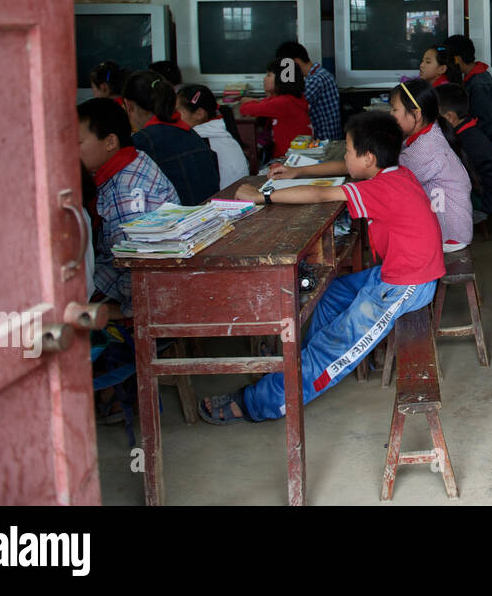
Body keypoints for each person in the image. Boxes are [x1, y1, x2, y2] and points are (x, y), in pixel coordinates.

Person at [200, 113, 443, 424]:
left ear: (368, 158)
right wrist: (298, 171)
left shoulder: (380, 188)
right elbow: (345, 168)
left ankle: (261, 403)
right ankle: (301, 364)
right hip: (398, 273)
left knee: (335, 345)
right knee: (331, 293)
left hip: (407, 285)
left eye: (348, 150)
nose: (345, 157)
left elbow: (319, 193)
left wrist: (262, 197)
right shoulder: (395, 175)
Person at [78, 98, 178, 317]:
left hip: (143, 303)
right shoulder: (131, 160)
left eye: (77, 144)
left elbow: (141, 274)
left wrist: (119, 313)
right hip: (122, 277)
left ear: (110, 142)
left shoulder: (125, 195)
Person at [122, 71, 219, 204]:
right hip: (208, 217)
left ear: (129, 105)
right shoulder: (192, 134)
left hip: (177, 222)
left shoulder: (141, 143)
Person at [436, 82, 492, 220]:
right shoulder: (466, 129)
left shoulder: (468, 140)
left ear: (449, 117)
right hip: (485, 195)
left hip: (485, 202)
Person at [176, 84, 249, 190]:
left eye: (177, 112)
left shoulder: (200, 140)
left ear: (199, 114)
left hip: (222, 201)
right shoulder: (219, 129)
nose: (173, 116)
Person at [240, 59, 313, 158]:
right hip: (295, 155)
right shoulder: (293, 98)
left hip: (288, 158)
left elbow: (245, 109)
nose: (264, 78)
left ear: (281, 80)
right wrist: (259, 101)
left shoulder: (282, 102)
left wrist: (253, 101)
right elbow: (268, 102)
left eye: (269, 75)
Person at [274, 41, 341, 142]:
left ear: (295, 63)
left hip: (324, 141)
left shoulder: (316, 79)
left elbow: (290, 104)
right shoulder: (319, 73)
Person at [445, 34, 492, 142]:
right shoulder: (473, 75)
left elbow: (486, 124)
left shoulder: (479, 85)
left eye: (448, 60)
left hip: (481, 142)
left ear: (457, 59)